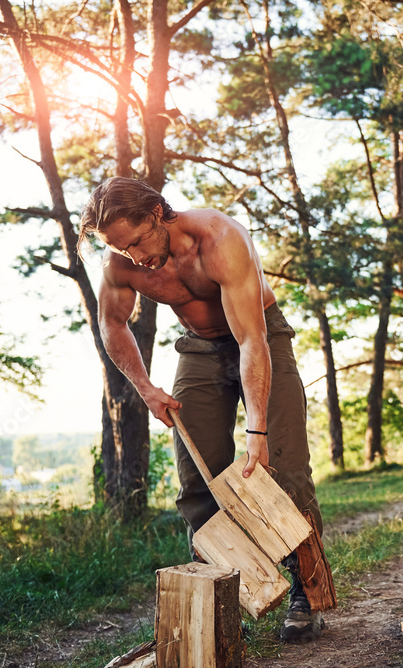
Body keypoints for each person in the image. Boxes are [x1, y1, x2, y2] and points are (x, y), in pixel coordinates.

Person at [79, 176, 326, 642]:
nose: (132, 256)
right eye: (119, 248)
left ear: (156, 213)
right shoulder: (122, 264)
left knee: (286, 469)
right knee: (198, 481)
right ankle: (217, 598)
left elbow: (251, 338)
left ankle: (307, 594)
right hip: (199, 348)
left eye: (134, 242)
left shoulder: (220, 237)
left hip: (260, 335)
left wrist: (257, 432)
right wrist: (146, 387)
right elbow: (111, 323)